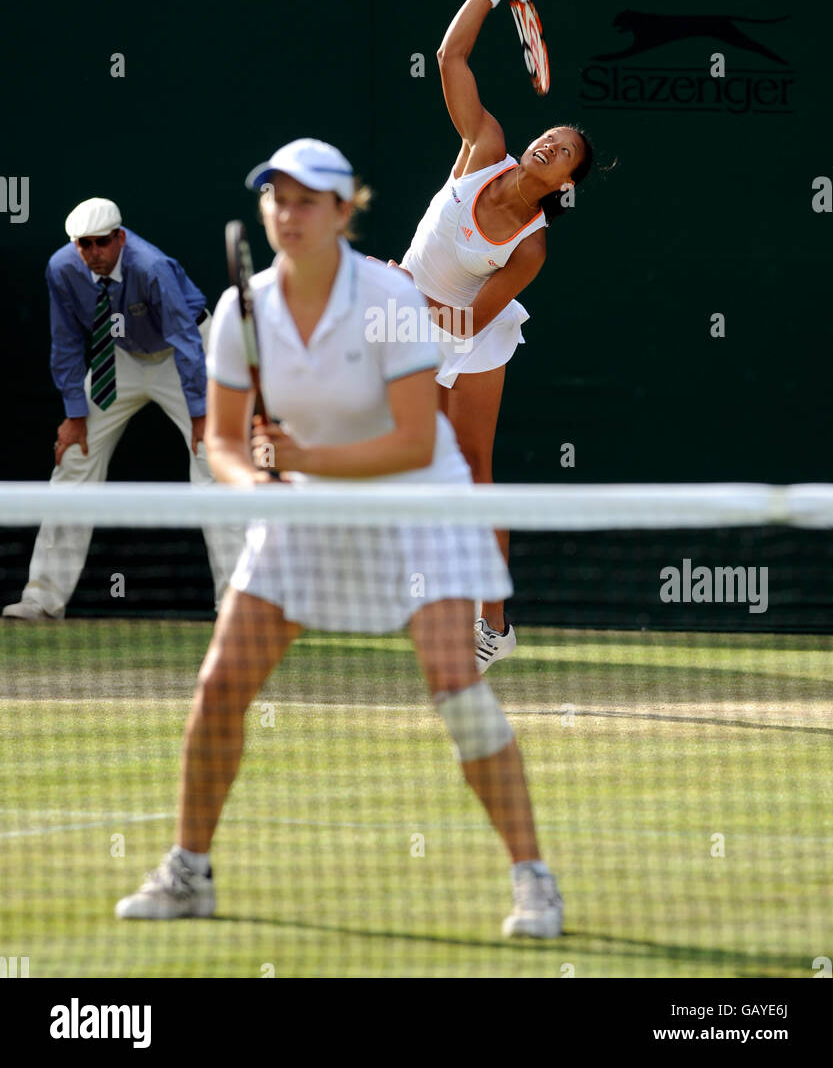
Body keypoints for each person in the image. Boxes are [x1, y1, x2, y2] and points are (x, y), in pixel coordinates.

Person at [115, 138, 563, 938]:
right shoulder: (239, 312)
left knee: (457, 691)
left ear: (343, 213)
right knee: (221, 684)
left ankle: (533, 880)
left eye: (307, 200)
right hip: (309, 508)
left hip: (418, 506)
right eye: (276, 199)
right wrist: (258, 480)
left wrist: (299, 457)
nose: (288, 214)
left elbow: (416, 442)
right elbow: (221, 439)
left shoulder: (392, 298)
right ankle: (188, 870)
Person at [394, 0, 593, 673]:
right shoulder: (482, 146)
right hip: (408, 313)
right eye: (552, 136)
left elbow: (466, 321)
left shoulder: (530, 247)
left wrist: (404, 298)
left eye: (564, 152)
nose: (550, 143)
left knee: (476, 470)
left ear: (564, 180)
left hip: (467, 333)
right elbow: (451, 56)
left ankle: (494, 626)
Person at [3, 197, 240, 621]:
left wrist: (202, 416)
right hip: (123, 356)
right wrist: (75, 415)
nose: (92, 253)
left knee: (213, 466)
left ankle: (235, 606)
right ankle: (41, 601)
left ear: (120, 238)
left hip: (183, 354)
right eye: (83, 244)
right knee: (75, 459)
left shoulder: (150, 266)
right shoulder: (62, 269)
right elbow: (67, 342)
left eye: (101, 243)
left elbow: (184, 338)